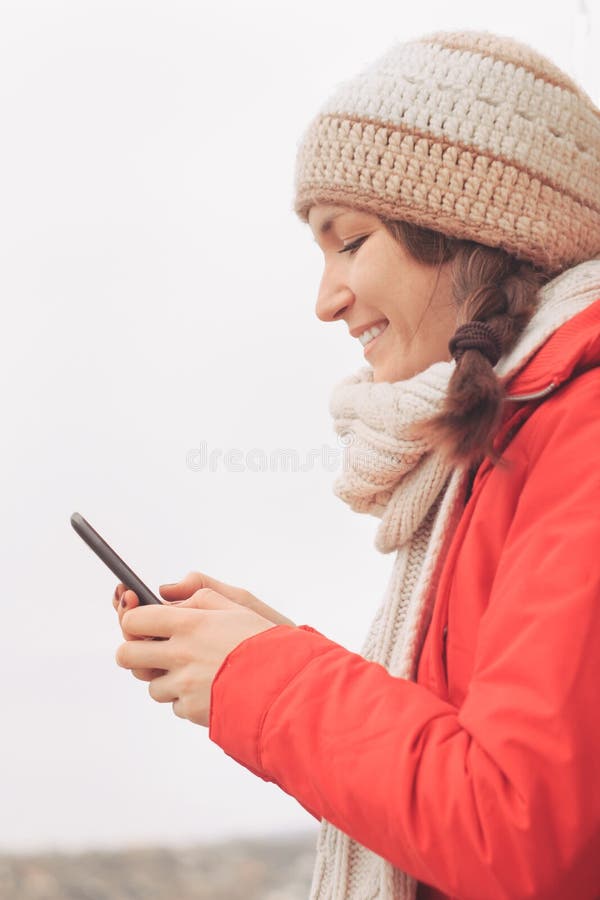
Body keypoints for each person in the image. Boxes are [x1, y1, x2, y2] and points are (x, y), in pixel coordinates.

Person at [112, 29, 600, 899]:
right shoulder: (514, 435)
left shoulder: (581, 431)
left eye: (350, 241)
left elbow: (517, 832)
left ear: (465, 231)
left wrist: (260, 677)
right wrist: (267, 648)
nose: (326, 299)